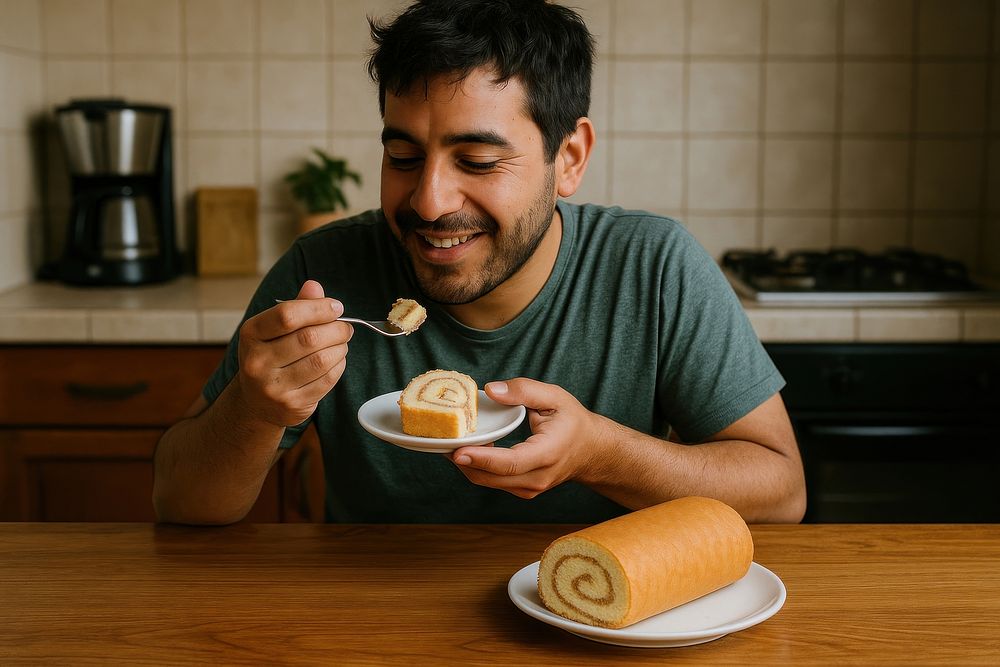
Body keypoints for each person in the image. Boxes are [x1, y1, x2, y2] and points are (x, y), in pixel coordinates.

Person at [152, 0, 806, 526]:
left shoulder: (653, 265)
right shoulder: (325, 270)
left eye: (479, 161)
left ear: (570, 156)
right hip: (368, 626)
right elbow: (178, 502)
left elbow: (781, 492)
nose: (428, 202)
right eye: (403, 157)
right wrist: (256, 409)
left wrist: (602, 455)